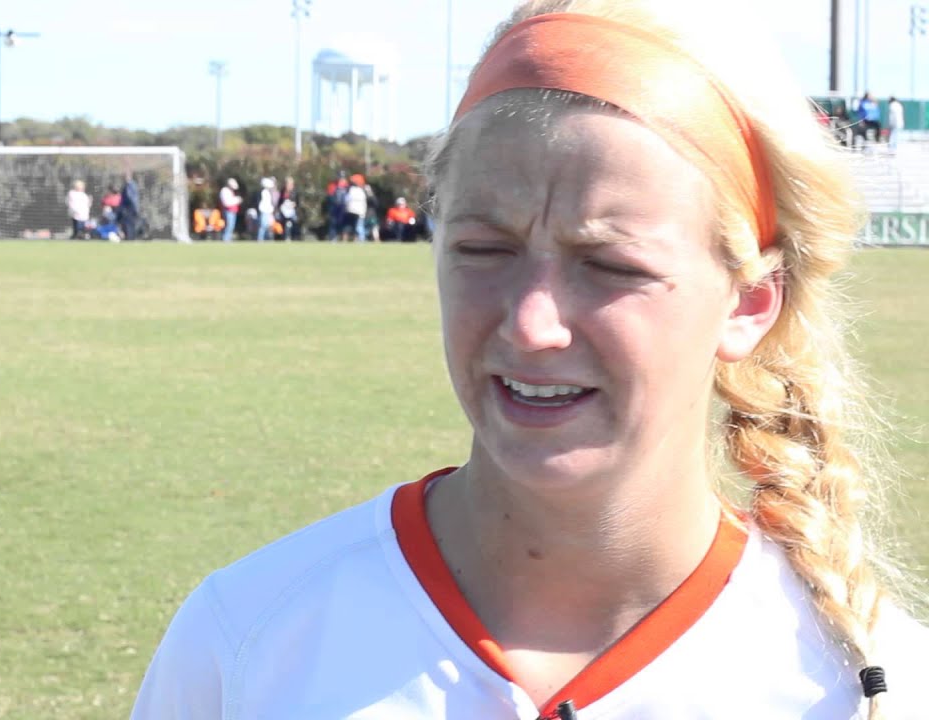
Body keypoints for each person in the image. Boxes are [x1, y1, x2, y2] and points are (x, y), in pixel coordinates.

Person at [132, 2, 928, 719]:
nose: (532, 322)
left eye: (612, 265)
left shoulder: (863, 683)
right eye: (484, 248)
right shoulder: (250, 638)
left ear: (751, 303)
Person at [344, 173, 368, 242]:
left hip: (352, 210)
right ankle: (359, 240)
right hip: (358, 211)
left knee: (351, 226)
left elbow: (347, 199)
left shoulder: (351, 190)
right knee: (357, 226)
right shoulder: (362, 191)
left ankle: (355, 239)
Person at [219, 178, 242, 243]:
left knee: (231, 226)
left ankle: (228, 238)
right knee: (229, 225)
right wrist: (237, 200)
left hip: (232, 211)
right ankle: (226, 239)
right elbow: (226, 203)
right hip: (228, 211)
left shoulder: (230, 191)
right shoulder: (224, 191)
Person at [119, 174, 141, 241]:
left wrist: (123, 207)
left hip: (129, 208)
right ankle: (131, 237)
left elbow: (129, 197)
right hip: (131, 208)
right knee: (130, 223)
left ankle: (130, 237)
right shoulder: (131, 185)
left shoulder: (129, 186)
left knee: (129, 224)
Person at [277, 176, 299, 241]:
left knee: (292, 224)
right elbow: (280, 202)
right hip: (283, 212)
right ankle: (283, 237)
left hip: (291, 212)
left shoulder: (295, 192)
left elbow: (297, 203)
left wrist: (293, 205)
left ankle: (292, 237)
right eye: (287, 184)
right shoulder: (282, 192)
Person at [256, 177, 277, 242]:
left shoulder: (267, 192)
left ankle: (265, 239)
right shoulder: (264, 192)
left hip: (267, 211)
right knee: (262, 226)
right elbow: (263, 203)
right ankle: (260, 239)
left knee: (267, 226)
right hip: (264, 211)